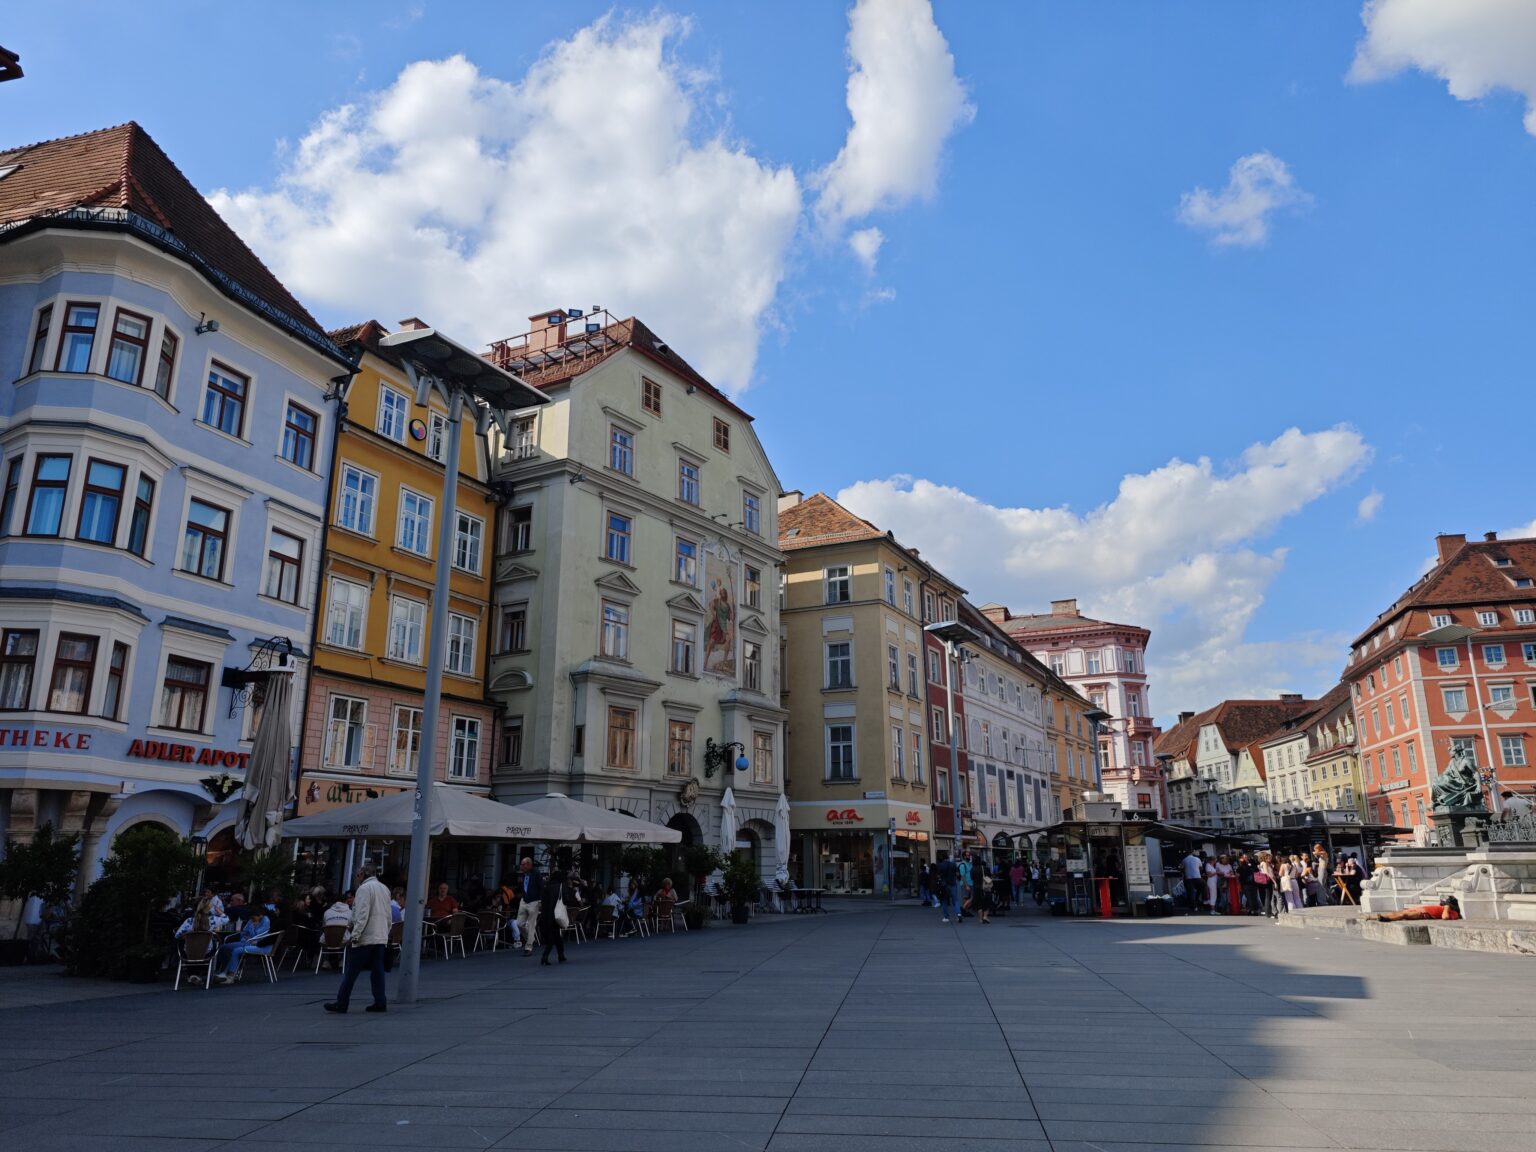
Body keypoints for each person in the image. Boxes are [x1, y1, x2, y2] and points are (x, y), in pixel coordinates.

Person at [324, 862, 392, 1014]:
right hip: (380, 935)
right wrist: (386, 932)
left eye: (358, 875)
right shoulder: (384, 888)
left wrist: (355, 935)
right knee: (377, 970)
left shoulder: (364, 889)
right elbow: (388, 915)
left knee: (352, 971)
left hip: (366, 936)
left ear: (363, 875)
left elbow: (362, 914)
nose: (357, 878)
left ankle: (342, 1002)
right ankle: (380, 1001)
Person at [213, 905, 272, 984]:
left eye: (253, 918)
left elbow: (257, 935)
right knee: (224, 947)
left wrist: (253, 927)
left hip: (257, 944)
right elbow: (243, 933)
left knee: (235, 950)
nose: (251, 920)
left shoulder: (265, 920)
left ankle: (229, 974)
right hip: (246, 942)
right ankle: (227, 970)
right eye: (251, 918)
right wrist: (247, 936)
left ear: (260, 915)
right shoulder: (252, 920)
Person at [539, 869, 567, 965]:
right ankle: (545, 956)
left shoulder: (547, 887)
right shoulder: (560, 886)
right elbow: (566, 899)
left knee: (556, 936)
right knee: (553, 937)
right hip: (556, 914)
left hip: (546, 915)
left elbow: (543, 901)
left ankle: (561, 955)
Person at [516, 857, 543, 955]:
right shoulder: (522, 874)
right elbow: (521, 886)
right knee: (519, 924)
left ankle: (528, 947)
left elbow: (541, 887)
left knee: (531, 925)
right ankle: (531, 938)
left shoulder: (536, 874)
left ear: (529, 864)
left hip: (534, 901)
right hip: (524, 900)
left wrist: (540, 901)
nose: (521, 866)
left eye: (523, 864)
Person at [1366, 896, 1460, 922]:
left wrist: (1447, 908)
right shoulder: (1443, 907)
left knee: (1404, 915)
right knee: (1398, 913)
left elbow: (1445, 918)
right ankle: (1374, 917)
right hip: (1419, 909)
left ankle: (1386, 919)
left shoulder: (1453, 912)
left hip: (1423, 914)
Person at [936, 853, 959, 924]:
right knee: (955, 900)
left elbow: (938, 876)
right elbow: (957, 874)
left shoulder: (940, 865)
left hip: (944, 885)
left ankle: (946, 916)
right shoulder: (953, 864)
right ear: (948, 858)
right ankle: (958, 914)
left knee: (944, 901)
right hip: (953, 884)